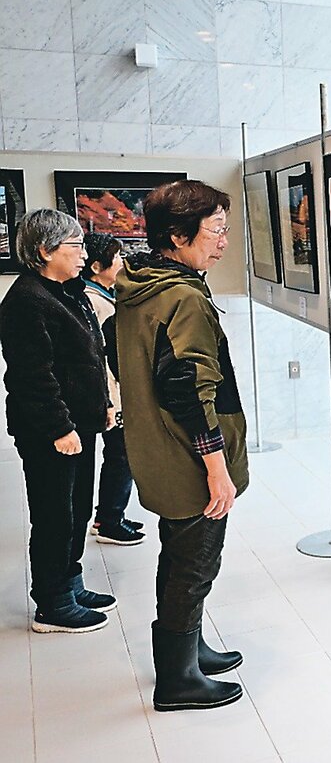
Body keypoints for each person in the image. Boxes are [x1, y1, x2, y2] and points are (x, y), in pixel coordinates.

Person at [114, 181, 249, 711]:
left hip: (157, 449)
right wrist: (217, 469)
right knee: (194, 566)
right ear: (177, 235)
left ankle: (188, 652)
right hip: (187, 458)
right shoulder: (184, 297)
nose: (223, 242)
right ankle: (177, 680)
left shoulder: (141, 285)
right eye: (215, 231)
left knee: (178, 557)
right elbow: (190, 390)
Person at [0, 209, 116, 633]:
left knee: (78, 509)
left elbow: (92, 356)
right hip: (50, 430)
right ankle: (51, 604)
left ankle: (70, 582)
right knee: (54, 516)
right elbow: (32, 377)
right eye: (76, 246)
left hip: (79, 423)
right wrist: (60, 428)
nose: (84, 254)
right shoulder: (26, 301)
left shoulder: (69, 290)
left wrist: (103, 403)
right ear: (45, 250)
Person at [82, 232, 145, 545]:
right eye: (116, 257)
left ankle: (109, 514)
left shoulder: (101, 295)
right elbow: (104, 356)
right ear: (96, 266)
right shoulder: (94, 302)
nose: (122, 262)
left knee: (119, 454)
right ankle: (109, 520)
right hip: (112, 393)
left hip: (113, 390)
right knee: (122, 454)